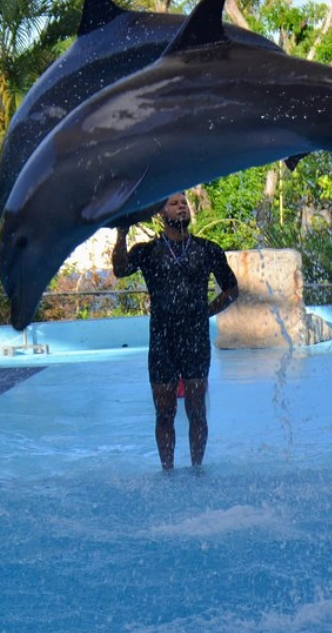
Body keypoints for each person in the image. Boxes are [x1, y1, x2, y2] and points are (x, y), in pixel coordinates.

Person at [112, 192, 239, 470]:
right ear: (161, 212)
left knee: (197, 410)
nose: (181, 206)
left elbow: (232, 289)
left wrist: (205, 312)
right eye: (173, 203)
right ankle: (167, 471)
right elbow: (120, 270)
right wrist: (121, 234)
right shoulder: (147, 251)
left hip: (195, 339)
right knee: (164, 413)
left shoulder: (207, 249)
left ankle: (197, 469)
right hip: (162, 341)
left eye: (184, 203)